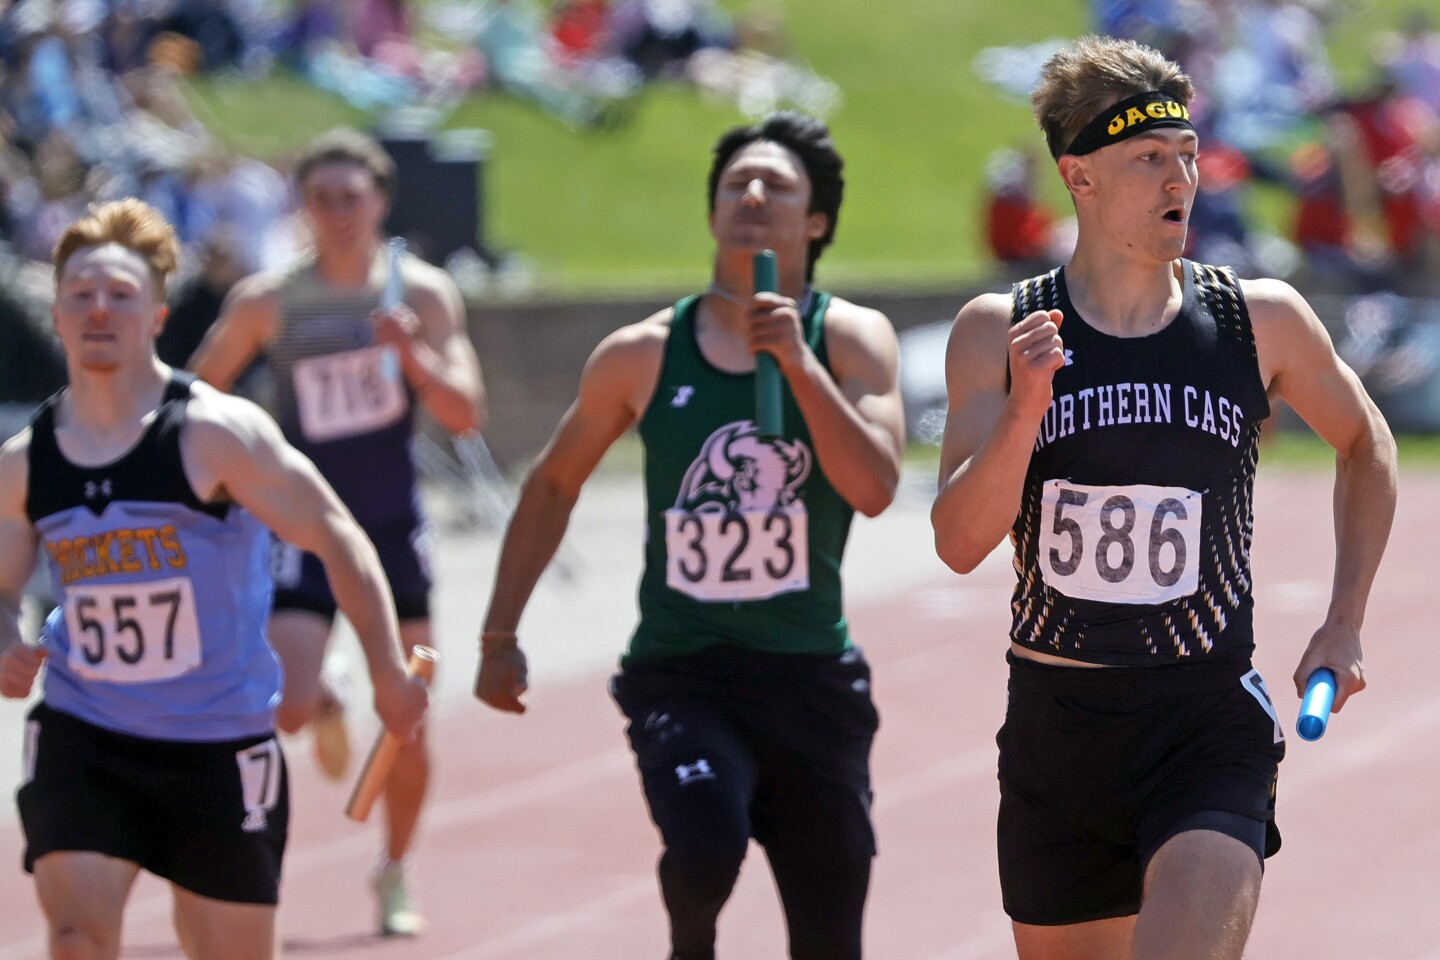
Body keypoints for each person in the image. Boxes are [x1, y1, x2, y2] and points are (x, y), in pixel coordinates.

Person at [931, 35, 1398, 960]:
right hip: (1055, 733)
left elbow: (1365, 442)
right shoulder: (1000, 330)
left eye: (1186, 154)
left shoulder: (1255, 320)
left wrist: (1343, 621)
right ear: (1080, 176)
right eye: (1149, 158)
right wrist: (1027, 408)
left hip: (1204, 720)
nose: (1179, 177)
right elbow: (957, 540)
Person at [474, 112, 904, 960]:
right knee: (704, 848)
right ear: (710, 213)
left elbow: (875, 488)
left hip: (811, 677)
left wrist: (796, 365)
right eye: (734, 183)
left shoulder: (851, 341)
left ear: (816, 220)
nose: (751, 195)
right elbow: (553, 482)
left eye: (776, 185)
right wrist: (498, 634)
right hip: (684, 670)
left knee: (830, 939)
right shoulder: (641, 355)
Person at [0, 198, 428, 960]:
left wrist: (388, 669)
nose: (99, 311)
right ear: (58, 315)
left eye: (121, 296)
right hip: (85, 732)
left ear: (158, 315)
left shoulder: (214, 434)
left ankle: (322, 690)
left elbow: (338, 538)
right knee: (74, 936)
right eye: (81, 297)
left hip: (215, 743)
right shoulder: (25, 462)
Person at [187, 128, 486, 936]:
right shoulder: (270, 300)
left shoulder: (420, 294)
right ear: (303, 208)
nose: (339, 213)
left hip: (393, 530)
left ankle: (392, 869)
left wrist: (415, 358)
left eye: (352, 197)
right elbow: (194, 397)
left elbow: (465, 413)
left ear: (380, 202)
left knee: (410, 712)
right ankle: (327, 696)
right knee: (281, 709)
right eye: (322, 199)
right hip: (304, 525)